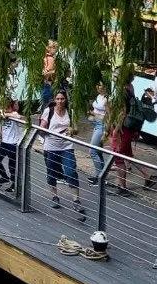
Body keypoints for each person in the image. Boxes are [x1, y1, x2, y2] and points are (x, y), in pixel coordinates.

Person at [40, 87, 86, 218]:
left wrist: (73, 130)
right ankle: (55, 196)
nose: (60, 101)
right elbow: (41, 129)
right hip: (51, 146)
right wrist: (47, 131)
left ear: (66, 100)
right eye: (58, 99)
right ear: (54, 99)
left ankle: (76, 200)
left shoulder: (70, 112)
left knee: (71, 171)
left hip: (66, 146)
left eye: (62, 99)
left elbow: (76, 130)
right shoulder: (48, 111)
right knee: (52, 172)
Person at [111, 80, 155, 194]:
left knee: (118, 156)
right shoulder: (130, 87)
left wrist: (116, 130)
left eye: (116, 75)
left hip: (123, 128)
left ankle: (122, 186)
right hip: (129, 127)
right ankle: (147, 175)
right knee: (128, 154)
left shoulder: (122, 91)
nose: (114, 76)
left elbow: (123, 112)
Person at [0, 97, 23, 191]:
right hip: (5, 142)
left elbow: (19, 117)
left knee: (12, 165)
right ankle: (4, 177)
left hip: (13, 143)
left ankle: (14, 184)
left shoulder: (13, 113)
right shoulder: (2, 113)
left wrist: (6, 114)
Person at [87, 81, 108, 183]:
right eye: (97, 84)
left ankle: (100, 177)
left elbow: (108, 116)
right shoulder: (99, 96)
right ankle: (101, 175)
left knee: (92, 151)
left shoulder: (107, 98)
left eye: (100, 84)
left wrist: (93, 113)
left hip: (102, 125)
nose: (97, 87)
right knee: (98, 151)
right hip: (96, 124)